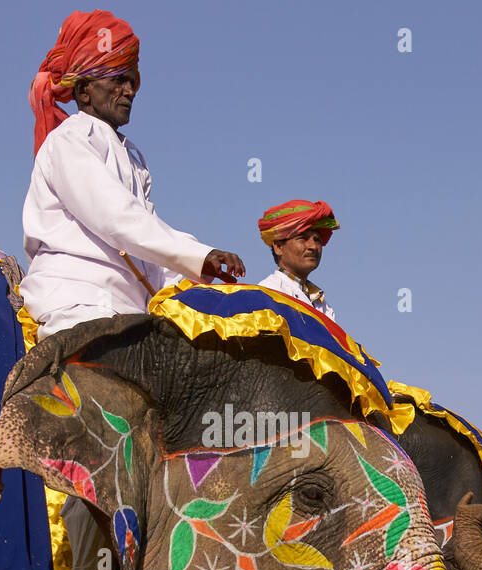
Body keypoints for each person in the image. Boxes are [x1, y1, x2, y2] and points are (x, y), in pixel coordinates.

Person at [21, 10, 245, 337]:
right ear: (84, 91)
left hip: (129, 312)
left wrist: (205, 280)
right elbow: (118, 219)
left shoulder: (132, 156)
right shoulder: (69, 141)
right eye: (118, 80)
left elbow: (147, 242)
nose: (129, 91)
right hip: (78, 306)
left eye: (132, 81)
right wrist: (199, 256)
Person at [256, 199, 339, 320]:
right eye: (303, 238)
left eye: (317, 240)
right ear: (279, 247)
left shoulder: (322, 305)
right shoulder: (269, 293)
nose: (313, 247)